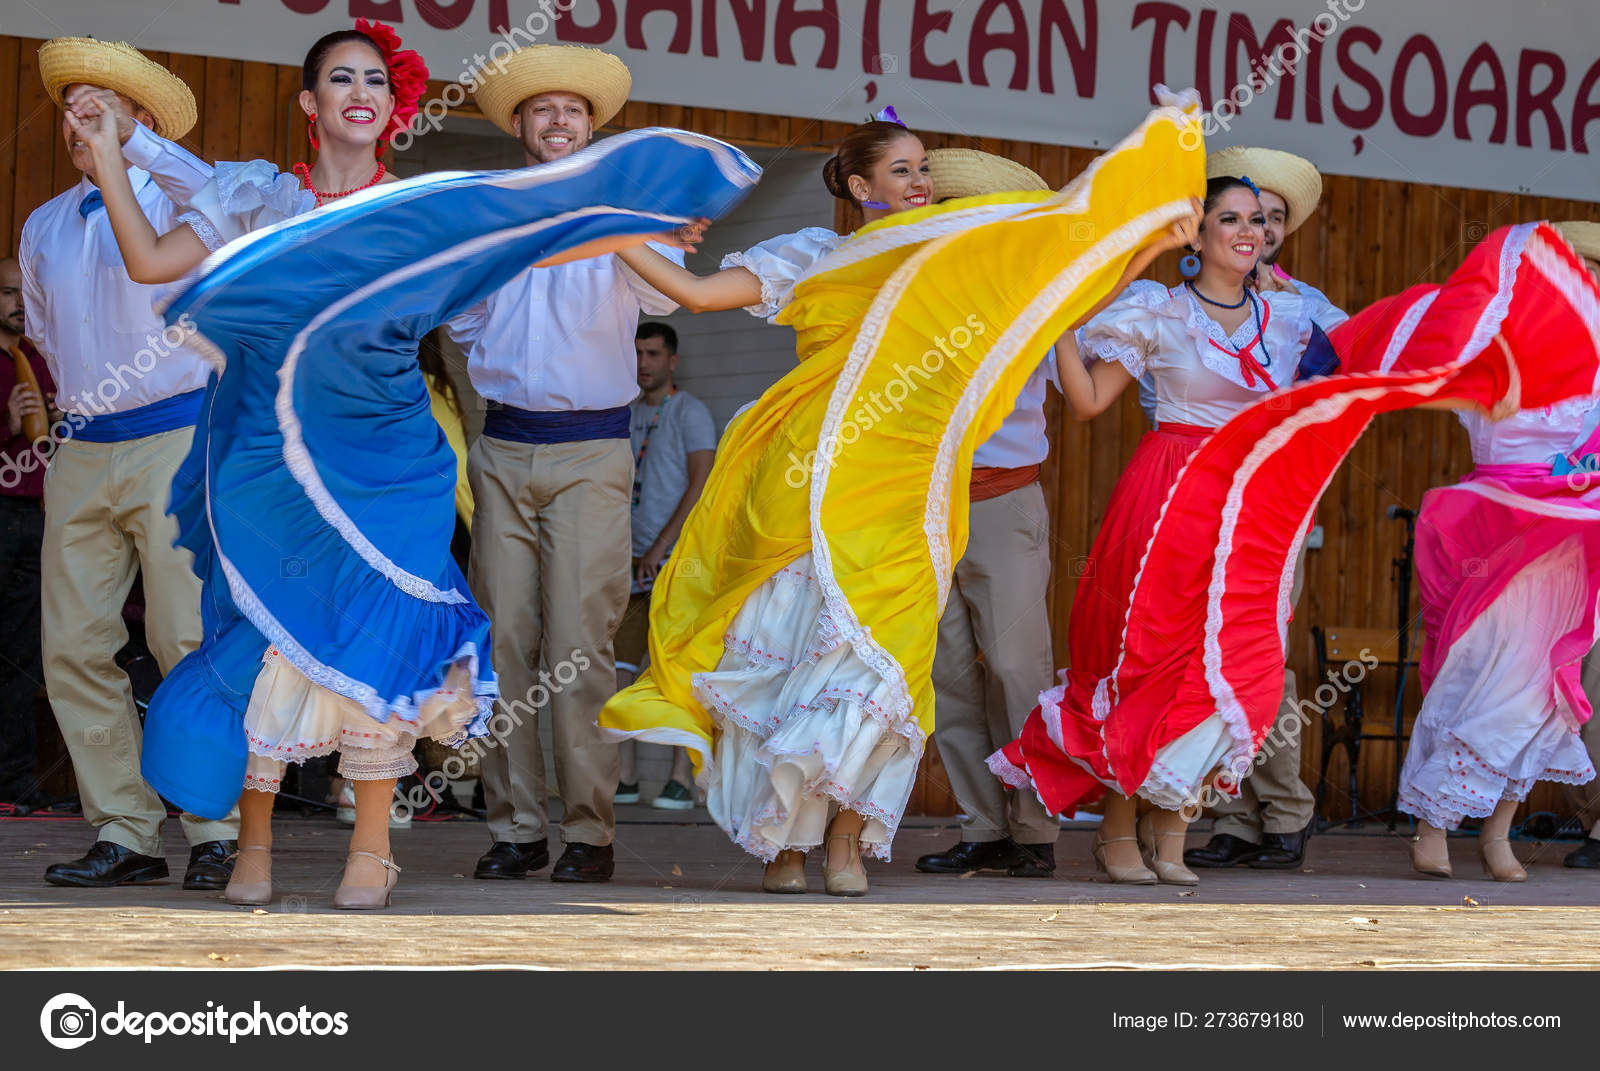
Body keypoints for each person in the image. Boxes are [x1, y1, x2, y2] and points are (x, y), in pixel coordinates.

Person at [599, 94, 1207, 895]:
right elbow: (701, 294)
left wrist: (1153, 241)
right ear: (859, 187)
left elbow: (1063, 294)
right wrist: (607, 234)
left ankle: (846, 842)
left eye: (925, 169)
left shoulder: (952, 265)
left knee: (884, 668)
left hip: (912, 491)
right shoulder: (816, 255)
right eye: (904, 169)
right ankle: (782, 845)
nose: (922, 181)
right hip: (810, 483)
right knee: (794, 660)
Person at [992, 219, 1600, 885]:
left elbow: (1366, 353)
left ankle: (1171, 833)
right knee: (1148, 661)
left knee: (1231, 672)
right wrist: (1057, 318)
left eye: (1258, 220)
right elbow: (1086, 402)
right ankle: (1117, 832)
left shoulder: (1290, 319)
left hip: (1256, 511)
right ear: (1196, 238)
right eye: (1230, 218)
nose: (1249, 230)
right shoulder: (1158, 311)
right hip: (1173, 494)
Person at [74, 21, 479, 909]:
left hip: (386, 453)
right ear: (311, 102)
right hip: (267, 450)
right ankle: (252, 843)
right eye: (341, 77)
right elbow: (149, 261)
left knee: (380, 625)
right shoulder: (258, 199)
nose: (360, 90)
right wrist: (108, 152)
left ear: (390, 103)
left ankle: (371, 846)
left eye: (375, 77)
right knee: (268, 630)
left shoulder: (417, 210)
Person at [452, 44, 685, 885]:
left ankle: (589, 830)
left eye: (574, 111)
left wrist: (614, 224)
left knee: (578, 648)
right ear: (519, 125)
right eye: (542, 109)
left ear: (593, 127)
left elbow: (666, 297)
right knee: (504, 640)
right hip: (503, 445)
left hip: (593, 447)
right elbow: (467, 322)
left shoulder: (630, 210)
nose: (559, 121)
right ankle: (515, 826)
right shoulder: (489, 211)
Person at [20, 37, 239, 890]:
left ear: (141, 119)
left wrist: (127, 156)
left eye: (103, 106)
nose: (83, 120)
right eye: (73, 107)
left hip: (180, 432)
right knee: (73, 645)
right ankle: (125, 828)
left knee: (185, 635)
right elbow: (44, 333)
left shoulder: (189, 200)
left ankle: (216, 826)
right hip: (83, 440)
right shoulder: (43, 222)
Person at [1400, 220, 1600, 882]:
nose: (1590, 286)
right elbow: (1432, 378)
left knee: (1544, 692)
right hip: (1499, 553)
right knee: (1485, 678)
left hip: (1569, 556)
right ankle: (1434, 827)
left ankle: (1496, 832)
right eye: (1580, 273)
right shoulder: (1497, 356)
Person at [1183, 147, 1344, 872]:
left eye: (1273, 217)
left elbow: (1343, 386)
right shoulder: (1184, 301)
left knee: (1263, 659)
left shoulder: (1308, 310)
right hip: (1191, 501)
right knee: (1199, 653)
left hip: (1272, 508)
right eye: (1248, 215)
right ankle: (1232, 811)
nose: (1263, 227)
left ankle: (1285, 811)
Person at [911, 150, 1060, 879]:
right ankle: (983, 824)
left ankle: (1034, 827)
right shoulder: (915, 292)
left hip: (1004, 499)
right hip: (926, 505)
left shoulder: (1042, 296)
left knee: (1015, 667)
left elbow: (1086, 389)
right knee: (949, 677)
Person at [615, 322, 716, 810]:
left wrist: (659, 547)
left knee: (676, 665)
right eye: (635, 353)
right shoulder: (624, 411)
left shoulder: (689, 411)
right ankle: (625, 776)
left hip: (678, 564)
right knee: (618, 665)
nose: (642, 363)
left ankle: (682, 776)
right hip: (629, 561)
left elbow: (701, 486)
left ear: (672, 360)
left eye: (652, 353)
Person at [0, 256, 57, 809]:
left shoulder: (45, 363)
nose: (18, 302)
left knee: (22, 655)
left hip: (39, 516)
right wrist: (8, 423)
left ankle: (13, 786)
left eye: (25, 293)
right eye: (7, 292)